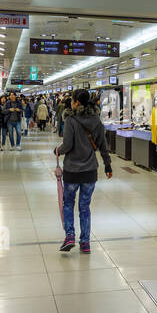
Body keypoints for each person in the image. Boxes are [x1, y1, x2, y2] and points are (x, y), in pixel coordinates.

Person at [55, 89, 112, 253]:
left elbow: (67, 146)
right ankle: (85, 242)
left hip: (72, 171)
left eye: (72, 100)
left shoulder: (71, 120)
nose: (70, 103)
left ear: (77, 103)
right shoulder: (97, 121)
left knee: (68, 205)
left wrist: (57, 150)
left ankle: (70, 236)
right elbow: (103, 146)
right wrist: (108, 166)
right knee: (84, 207)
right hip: (90, 172)